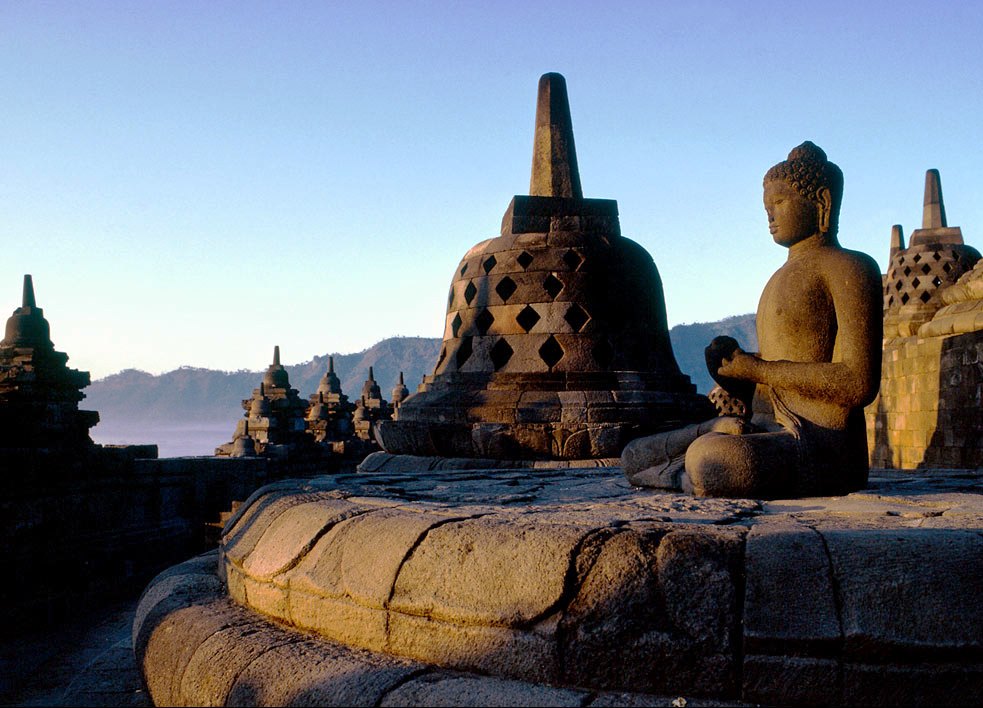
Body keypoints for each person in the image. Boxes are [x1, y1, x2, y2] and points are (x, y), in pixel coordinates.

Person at [622, 142, 882, 498]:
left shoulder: (850, 268)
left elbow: (858, 382)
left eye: (780, 203)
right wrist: (732, 371)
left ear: (822, 202)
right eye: (766, 207)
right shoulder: (778, 278)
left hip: (818, 444)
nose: (770, 216)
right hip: (763, 430)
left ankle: (691, 472)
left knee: (712, 459)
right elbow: (770, 383)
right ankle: (692, 466)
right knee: (634, 455)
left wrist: (757, 369)